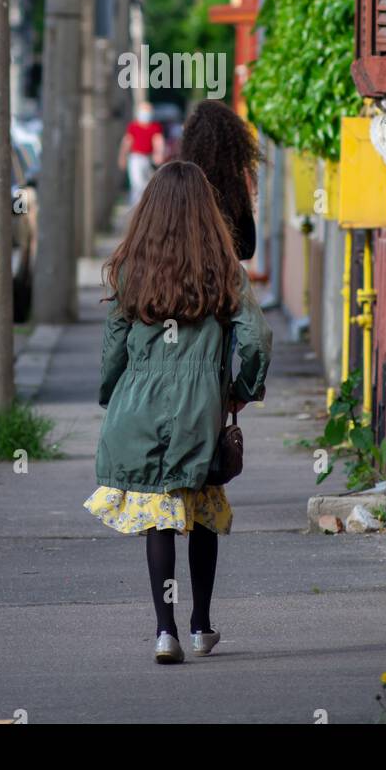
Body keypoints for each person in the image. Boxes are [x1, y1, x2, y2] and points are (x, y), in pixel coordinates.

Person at [83, 160, 272, 664]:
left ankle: (163, 632)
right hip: (202, 409)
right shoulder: (225, 271)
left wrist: (112, 394)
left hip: (141, 404)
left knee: (159, 516)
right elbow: (256, 338)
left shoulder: (131, 268)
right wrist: (240, 390)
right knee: (202, 510)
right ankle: (201, 625)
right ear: (206, 214)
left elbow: (113, 347)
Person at [180, 99, 260, 260]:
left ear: (190, 143)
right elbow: (247, 249)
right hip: (223, 280)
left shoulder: (181, 183)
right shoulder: (234, 190)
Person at [117, 100, 164, 206]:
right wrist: (122, 157)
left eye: (148, 111)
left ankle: (146, 205)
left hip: (148, 158)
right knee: (137, 184)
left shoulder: (155, 127)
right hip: (135, 158)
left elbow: (158, 142)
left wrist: (159, 154)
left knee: (147, 184)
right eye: (144, 110)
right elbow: (127, 142)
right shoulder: (133, 127)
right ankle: (135, 206)